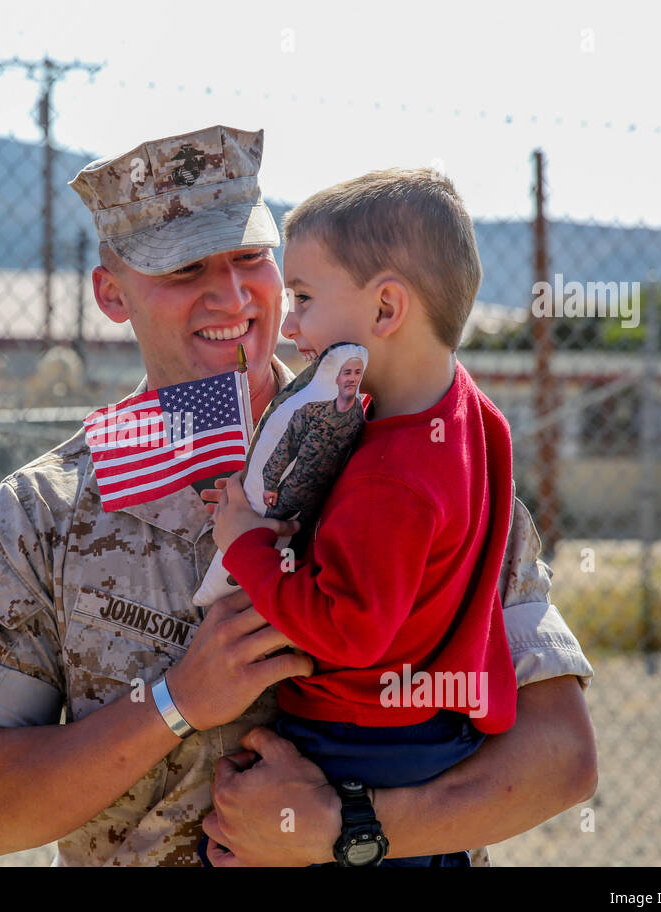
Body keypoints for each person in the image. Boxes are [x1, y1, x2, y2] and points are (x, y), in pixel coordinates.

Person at [0, 125, 596, 867]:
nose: (232, 295)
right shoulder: (41, 516)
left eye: (251, 258)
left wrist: (347, 828)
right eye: (183, 268)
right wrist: (173, 702)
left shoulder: (419, 452)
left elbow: (560, 757)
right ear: (111, 294)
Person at [200, 169, 517, 867]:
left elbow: (349, 630)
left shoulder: (388, 476)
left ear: (386, 310)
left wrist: (248, 541)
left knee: (229, 845)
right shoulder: (468, 410)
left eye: (306, 299)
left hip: (358, 740)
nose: (288, 325)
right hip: (436, 728)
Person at [261, 356, 365, 524]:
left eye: (357, 373)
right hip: (292, 493)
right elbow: (286, 447)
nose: (352, 378)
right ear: (337, 379)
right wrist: (270, 485)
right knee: (265, 531)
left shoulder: (359, 416)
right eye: (347, 373)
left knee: (301, 547)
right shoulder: (311, 411)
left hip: (324, 503)